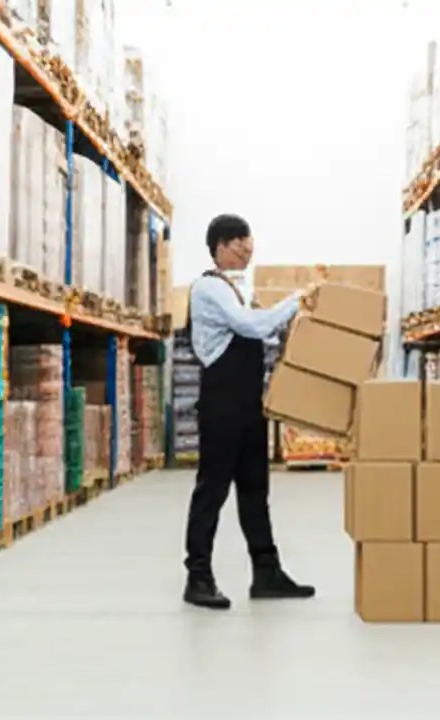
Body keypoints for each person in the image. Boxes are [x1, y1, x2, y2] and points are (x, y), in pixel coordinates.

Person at [182, 213, 316, 610]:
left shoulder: (237, 290)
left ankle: (267, 572)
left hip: (247, 404)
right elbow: (250, 327)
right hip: (221, 404)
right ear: (220, 246)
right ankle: (198, 576)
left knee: (255, 489)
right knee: (213, 489)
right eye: (240, 241)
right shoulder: (209, 288)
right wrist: (295, 303)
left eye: (250, 240)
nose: (248, 248)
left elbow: (263, 331)